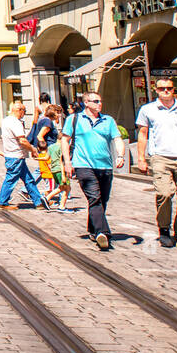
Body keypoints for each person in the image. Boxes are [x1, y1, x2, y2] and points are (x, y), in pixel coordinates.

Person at [135, 78, 177, 249]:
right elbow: (142, 134)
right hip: (160, 158)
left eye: (169, 88)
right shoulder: (148, 109)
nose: (166, 91)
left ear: (174, 90)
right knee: (164, 193)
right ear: (156, 90)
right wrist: (141, 158)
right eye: (162, 88)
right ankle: (164, 230)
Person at [61, 89, 125, 251]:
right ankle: (102, 233)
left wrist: (121, 155)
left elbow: (117, 139)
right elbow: (65, 140)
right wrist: (68, 162)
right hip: (83, 165)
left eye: (100, 101)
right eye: (96, 101)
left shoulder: (108, 120)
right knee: (94, 197)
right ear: (86, 103)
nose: (100, 104)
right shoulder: (74, 119)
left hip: (105, 166)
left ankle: (92, 228)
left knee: (102, 200)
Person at [0, 99, 49, 210]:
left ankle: (38, 202)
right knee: (11, 178)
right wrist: (33, 150)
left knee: (28, 179)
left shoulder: (6, 120)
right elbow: (23, 141)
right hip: (16, 155)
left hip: (13, 155)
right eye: (24, 111)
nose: (24, 114)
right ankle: (2, 201)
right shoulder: (15, 122)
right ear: (19, 110)